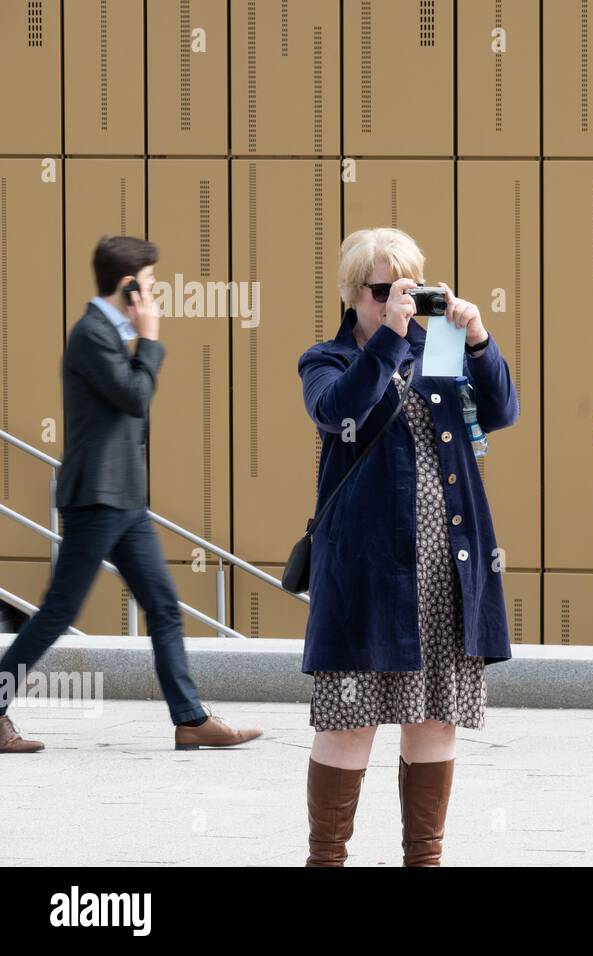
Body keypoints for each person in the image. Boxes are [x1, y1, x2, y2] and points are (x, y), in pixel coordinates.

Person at [298, 227, 518, 866]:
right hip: (364, 573)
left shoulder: (440, 345)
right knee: (348, 720)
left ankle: (424, 858)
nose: (397, 302)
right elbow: (341, 411)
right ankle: (327, 858)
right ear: (353, 295)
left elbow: (500, 410)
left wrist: (477, 341)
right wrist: (391, 339)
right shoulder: (328, 360)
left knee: (434, 718)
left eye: (408, 289)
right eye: (382, 291)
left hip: (443, 565)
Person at [0, 236, 263, 754]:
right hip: (97, 498)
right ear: (128, 287)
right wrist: (151, 339)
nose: (156, 295)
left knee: (164, 607)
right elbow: (135, 395)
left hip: (123, 500)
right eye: (150, 285)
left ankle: (190, 720)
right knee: (58, 612)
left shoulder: (105, 335)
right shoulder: (92, 336)